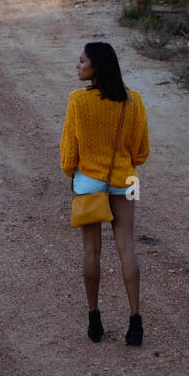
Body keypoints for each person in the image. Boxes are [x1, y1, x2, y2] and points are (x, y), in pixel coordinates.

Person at [60, 42, 150, 345]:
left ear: (95, 67)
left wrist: (74, 173)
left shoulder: (77, 101)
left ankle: (94, 319)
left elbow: (69, 155)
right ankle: (135, 322)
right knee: (126, 247)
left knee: (91, 251)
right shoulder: (133, 101)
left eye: (82, 60)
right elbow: (141, 152)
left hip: (88, 183)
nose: (78, 65)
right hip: (124, 180)